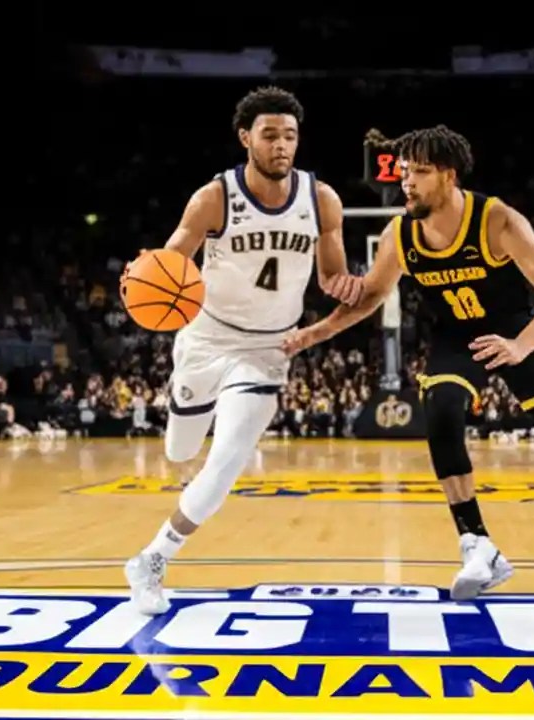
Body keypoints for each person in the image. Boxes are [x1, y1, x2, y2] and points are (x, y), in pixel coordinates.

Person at [283, 125, 534, 599]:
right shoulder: (400, 233)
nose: (407, 183)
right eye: (403, 173)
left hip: (512, 331)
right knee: (440, 406)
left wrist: (520, 345)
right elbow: (367, 298)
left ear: (448, 176)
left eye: (419, 172)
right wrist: (313, 333)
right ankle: (477, 544)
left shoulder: (497, 220)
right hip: (456, 339)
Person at [124, 86, 362, 614]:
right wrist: (150, 273)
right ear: (245, 138)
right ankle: (184, 407)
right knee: (180, 451)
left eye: (291, 136)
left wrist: (344, 286)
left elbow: (330, 275)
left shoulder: (322, 200)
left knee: (227, 460)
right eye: (270, 135)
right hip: (206, 336)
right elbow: (173, 260)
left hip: (269, 347)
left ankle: (153, 558)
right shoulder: (214, 198)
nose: (282, 146)